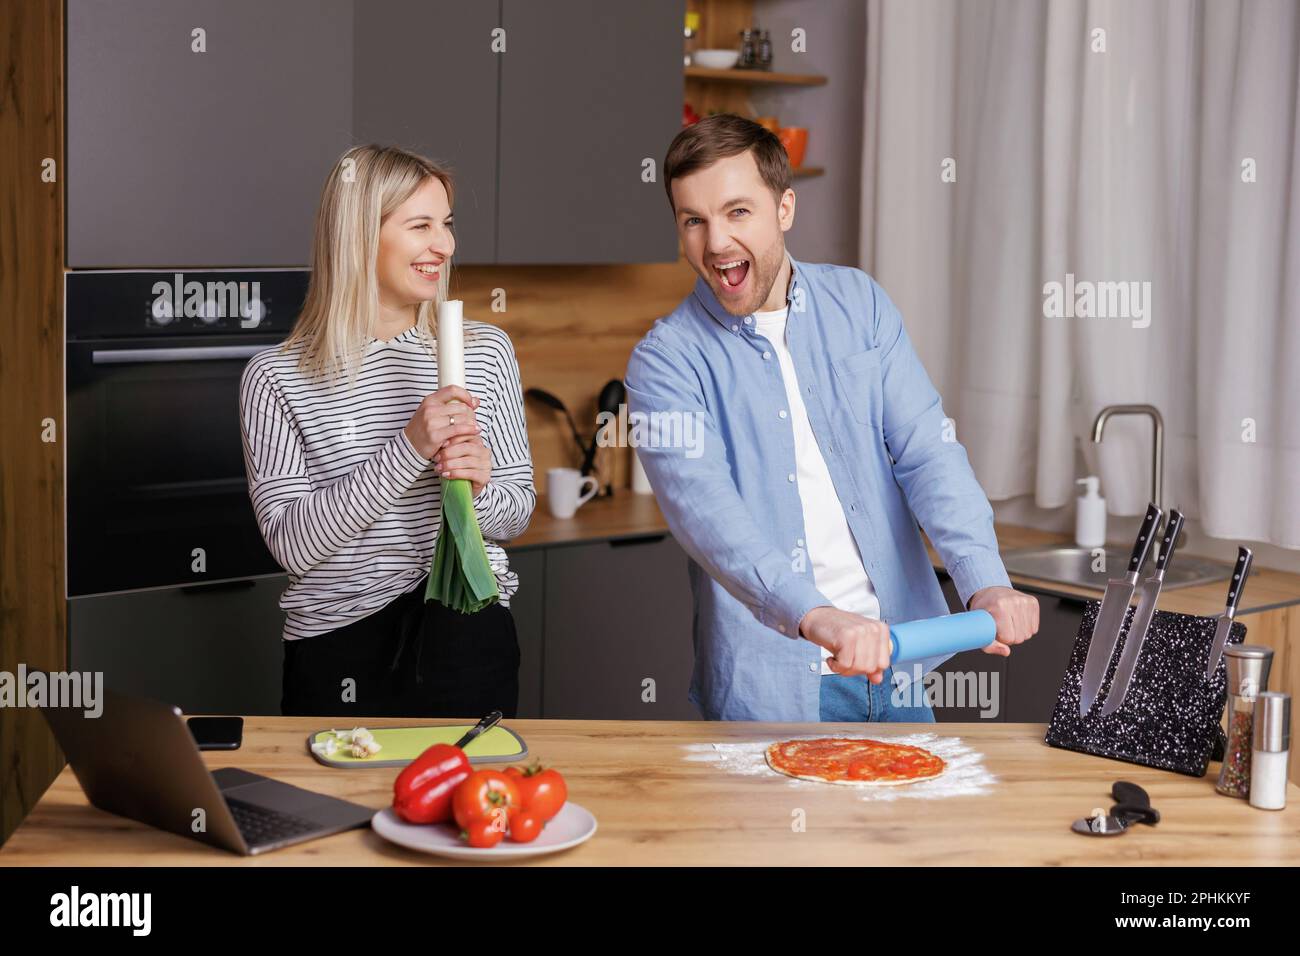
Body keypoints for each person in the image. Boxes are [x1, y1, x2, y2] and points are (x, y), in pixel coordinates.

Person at [625, 115, 1039, 723]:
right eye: (694, 220)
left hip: (898, 669)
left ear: (784, 208)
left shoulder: (860, 305)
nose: (715, 243)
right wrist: (816, 617)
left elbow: (928, 452)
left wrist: (985, 579)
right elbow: (708, 516)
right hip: (769, 689)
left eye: (738, 212)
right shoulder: (664, 362)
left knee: (909, 822)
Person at [239, 144, 535, 719]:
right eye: (420, 225)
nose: (444, 246)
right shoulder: (276, 377)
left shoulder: (486, 353)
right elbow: (293, 546)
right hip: (337, 646)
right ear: (358, 236)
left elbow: (516, 514)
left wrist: (480, 488)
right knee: (338, 808)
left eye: (446, 225)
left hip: (469, 633)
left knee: (471, 804)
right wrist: (409, 448)